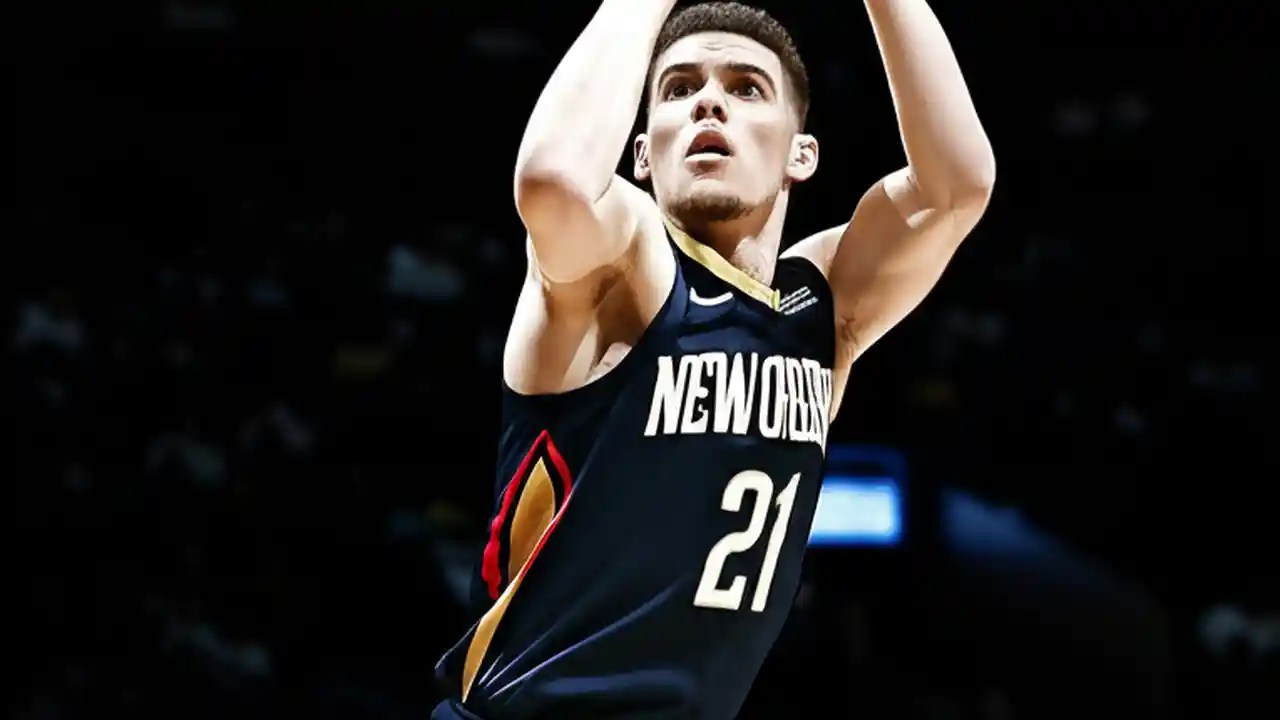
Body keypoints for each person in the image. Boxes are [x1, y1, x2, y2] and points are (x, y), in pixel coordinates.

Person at [433, 1, 994, 718]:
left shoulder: (822, 311)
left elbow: (958, 188)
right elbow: (554, 181)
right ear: (640, 154)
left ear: (801, 153)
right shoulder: (624, 268)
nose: (708, 101)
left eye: (745, 87)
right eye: (678, 88)